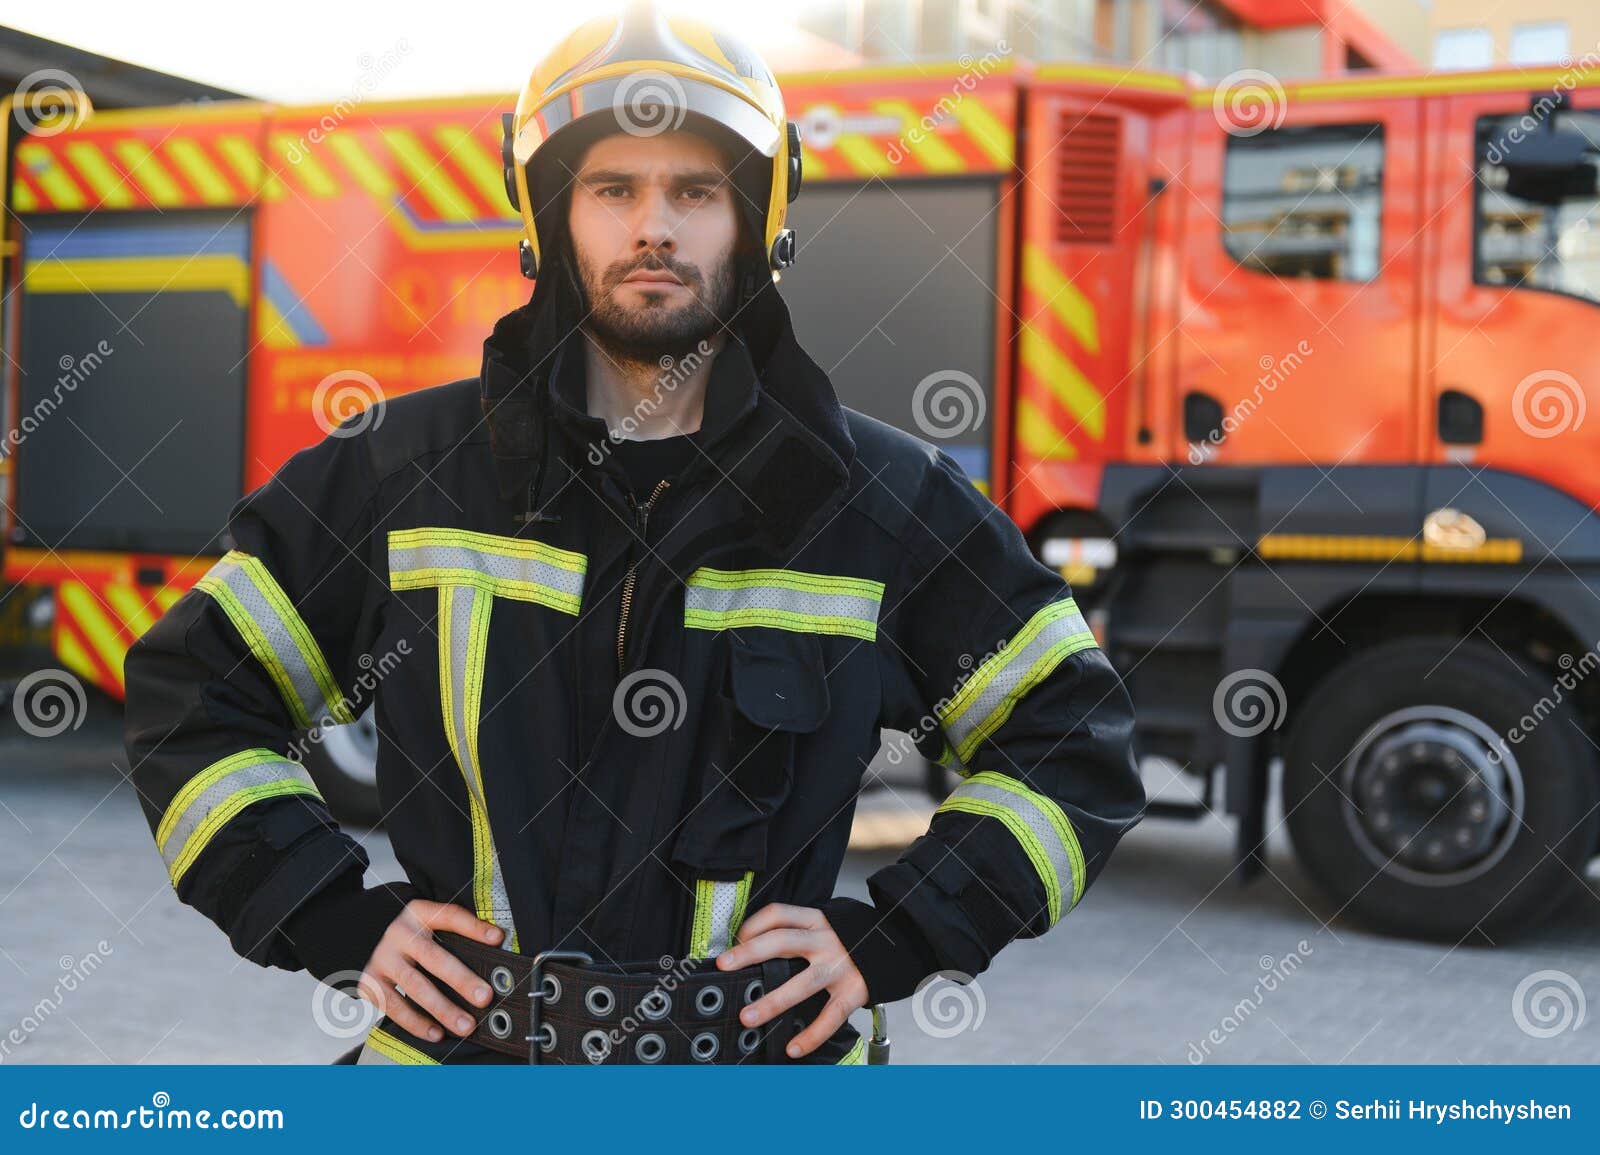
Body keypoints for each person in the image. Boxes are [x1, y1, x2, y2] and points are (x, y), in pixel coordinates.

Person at [123, 1, 1145, 1065]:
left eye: (695, 191)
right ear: (551, 215)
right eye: (613, 189)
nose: (653, 226)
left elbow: (1072, 740)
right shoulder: (399, 472)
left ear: (755, 219)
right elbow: (194, 698)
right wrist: (330, 915)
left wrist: (894, 934)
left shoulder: (878, 500)